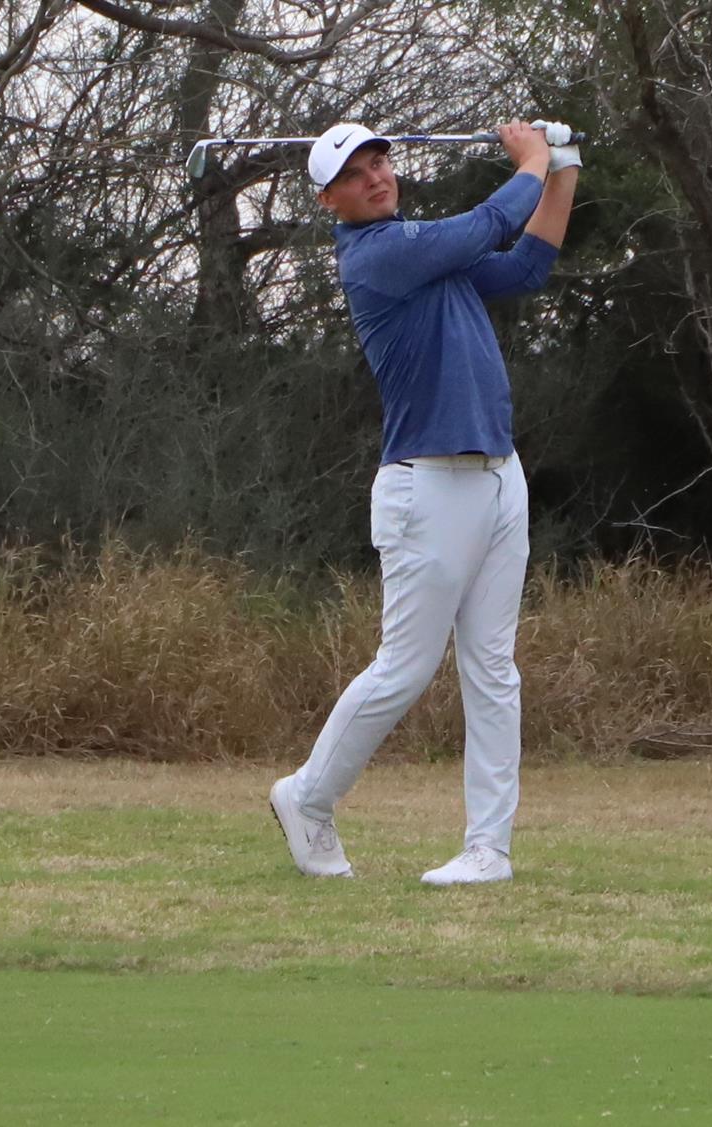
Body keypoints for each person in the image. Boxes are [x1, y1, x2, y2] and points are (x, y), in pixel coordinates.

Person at [269, 119, 579, 886]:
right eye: (355, 173)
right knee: (404, 669)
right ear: (329, 200)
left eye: (380, 161)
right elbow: (489, 222)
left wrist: (563, 170)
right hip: (425, 487)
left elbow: (526, 265)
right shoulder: (379, 257)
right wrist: (533, 158)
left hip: (499, 477)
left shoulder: (425, 253)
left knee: (493, 669)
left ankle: (488, 849)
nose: (376, 177)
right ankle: (307, 796)